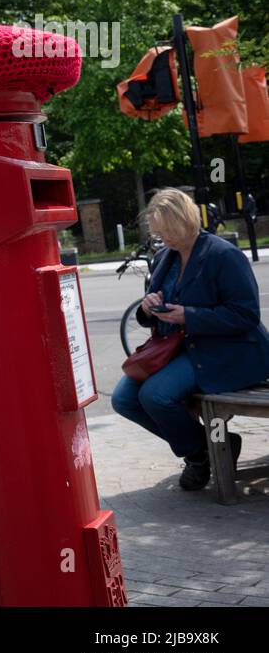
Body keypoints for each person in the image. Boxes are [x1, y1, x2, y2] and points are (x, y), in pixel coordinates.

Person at [111, 187, 269, 491]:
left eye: (170, 231)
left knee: (155, 396)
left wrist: (190, 315)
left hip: (226, 350)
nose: (165, 239)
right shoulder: (164, 257)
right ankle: (206, 450)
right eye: (160, 233)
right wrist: (148, 308)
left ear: (187, 220)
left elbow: (245, 315)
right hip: (179, 349)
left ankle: (199, 458)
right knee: (123, 399)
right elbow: (156, 306)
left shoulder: (223, 255)